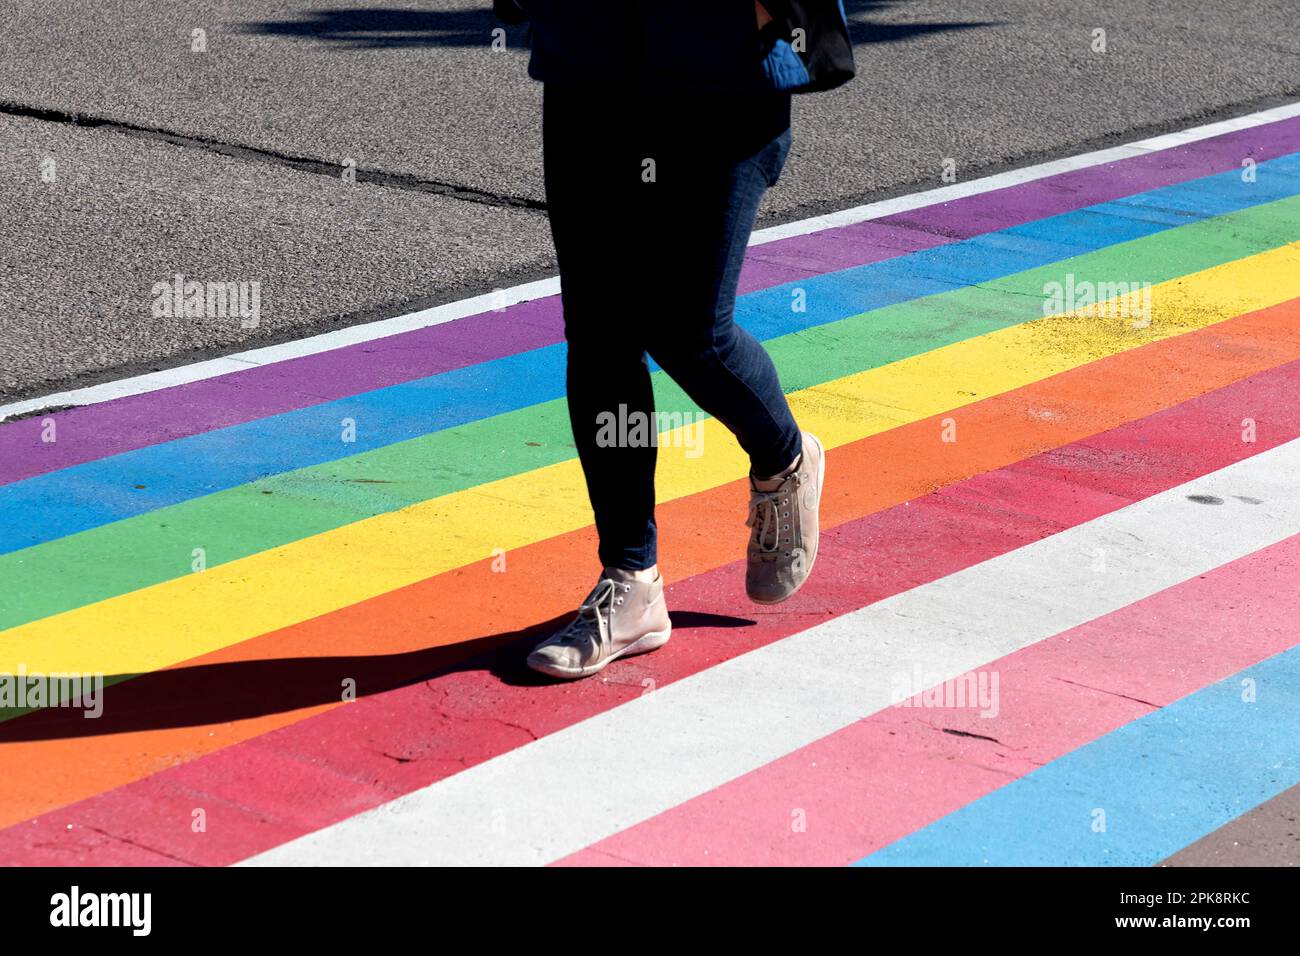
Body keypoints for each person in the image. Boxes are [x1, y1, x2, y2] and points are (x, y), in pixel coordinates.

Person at [494, 1, 827, 679]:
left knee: (689, 329)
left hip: (719, 70)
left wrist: (759, 12)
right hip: (590, 61)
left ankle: (784, 458)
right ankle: (632, 581)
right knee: (599, 329)